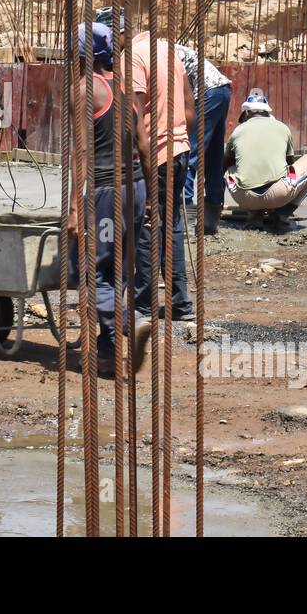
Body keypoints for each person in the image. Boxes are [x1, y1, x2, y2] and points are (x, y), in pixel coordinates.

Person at [67, 23, 150, 378]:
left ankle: (118, 342)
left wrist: (73, 207)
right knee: (121, 268)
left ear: (84, 53)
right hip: (136, 187)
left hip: (106, 192)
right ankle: (109, 341)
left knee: (94, 269)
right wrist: (154, 198)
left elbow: (81, 151)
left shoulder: (85, 90)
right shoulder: (125, 91)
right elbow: (145, 145)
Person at [128, 24, 196, 339]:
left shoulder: (134, 56)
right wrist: (179, 137)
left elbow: (135, 113)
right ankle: (180, 303)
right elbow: (190, 108)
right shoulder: (169, 50)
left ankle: (142, 306)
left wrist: (136, 155)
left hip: (154, 154)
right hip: (180, 149)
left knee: (146, 225)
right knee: (173, 227)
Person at [223, 92, 307, 232]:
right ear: (267, 111)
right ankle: (282, 213)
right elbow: (289, 163)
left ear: (247, 113)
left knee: (231, 167)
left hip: (245, 198)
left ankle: (254, 215)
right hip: (278, 195)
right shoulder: (282, 128)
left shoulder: (237, 131)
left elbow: (224, 164)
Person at [176, 43, 233, 234]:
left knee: (189, 150)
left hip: (207, 92)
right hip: (222, 89)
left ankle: (186, 213)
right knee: (214, 154)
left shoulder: (155, 53)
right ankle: (211, 216)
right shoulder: (164, 48)